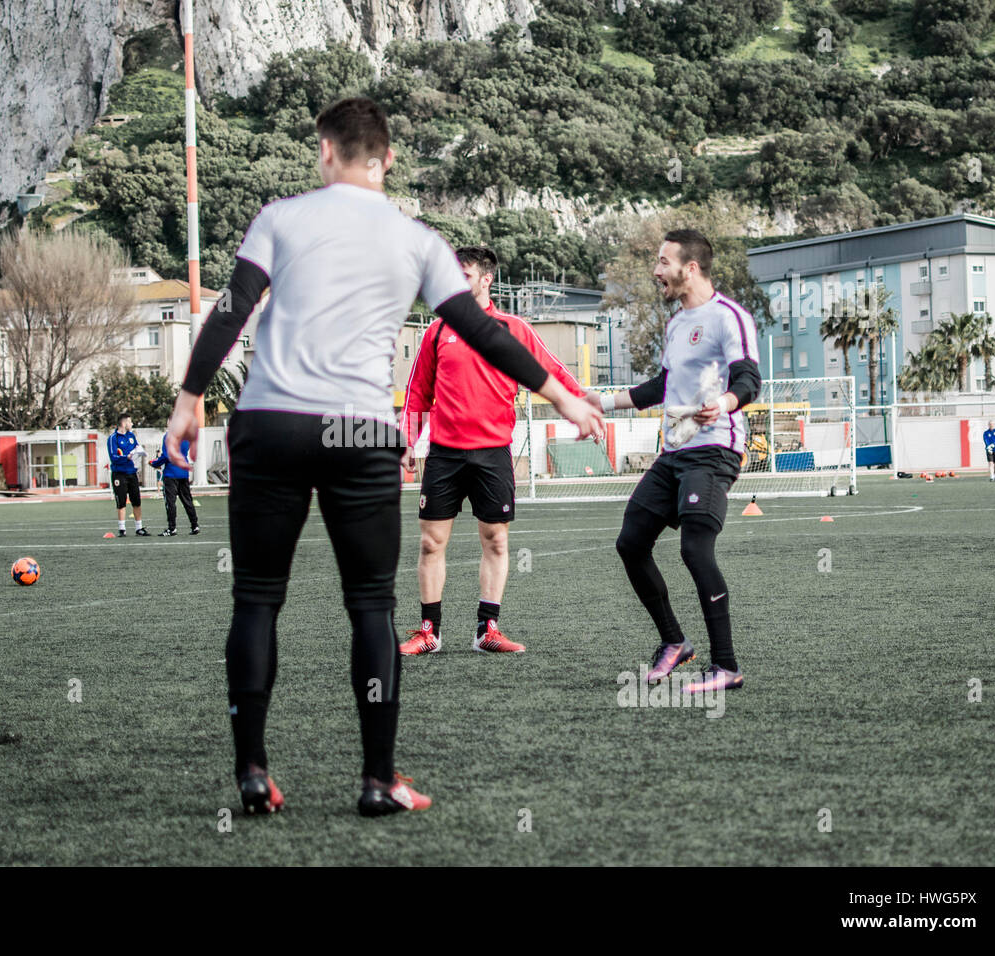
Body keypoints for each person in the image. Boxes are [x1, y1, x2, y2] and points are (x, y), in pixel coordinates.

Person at [163, 97, 603, 817]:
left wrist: (189, 397)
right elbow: (483, 331)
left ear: (325, 152)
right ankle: (378, 780)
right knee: (370, 606)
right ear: (388, 159)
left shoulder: (279, 217)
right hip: (357, 433)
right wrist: (558, 393)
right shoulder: (418, 239)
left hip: (270, 423)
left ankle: (251, 771)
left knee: (256, 600)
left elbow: (232, 307)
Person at [400, 246, 589, 656]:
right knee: (431, 543)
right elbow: (417, 392)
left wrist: (582, 407)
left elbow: (552, 372)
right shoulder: (437, 331)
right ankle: (428, 631)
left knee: (496, 541)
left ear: (486, 279)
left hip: (493, 453)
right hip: (445, 455)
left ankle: (487, 629)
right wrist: (407, 439)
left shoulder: (514, 328)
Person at [598, 229, 760, 695]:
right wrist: (599, 403)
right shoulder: (675, 325)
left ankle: (725, 665)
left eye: (663, 261)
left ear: (690, 268)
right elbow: (659, 389)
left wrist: (727, 401)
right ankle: (674, 641)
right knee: (630, 543)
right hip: (674, 454)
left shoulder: (731, 317)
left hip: (714, 450)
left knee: (694, 550)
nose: (656, 270)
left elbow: (749, 376)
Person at [150, 435, 199, 536]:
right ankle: (195, 525)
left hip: (171, 473)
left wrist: (154, 463)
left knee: (170, 502)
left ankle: (172, 528)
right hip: (183, 472)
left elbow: (167, 455)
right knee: (187, 500)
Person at [107, 414, 148, 535]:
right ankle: (122, 529)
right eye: (130, 422)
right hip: (119, 474)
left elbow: (136, 448)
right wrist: (127, 457)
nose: (132, 424)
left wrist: (139, 453)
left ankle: (139, 528)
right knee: (121, 501)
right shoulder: (113, 438)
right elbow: (113, 457)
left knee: (136, 501)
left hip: (132, 472)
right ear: (124, 423)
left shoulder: (131, 436)